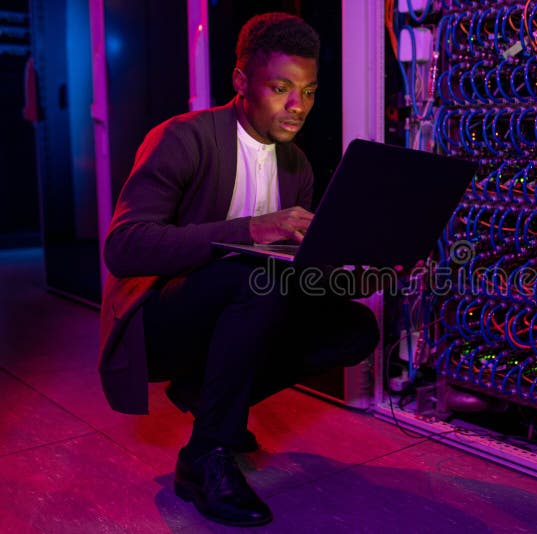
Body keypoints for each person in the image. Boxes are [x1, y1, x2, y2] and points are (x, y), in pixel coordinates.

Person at [99, 13, 379, 527]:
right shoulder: (182, 138)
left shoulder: (297, 166)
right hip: (158, 319)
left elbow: (296, 275)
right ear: (240, 81)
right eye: (281, 88)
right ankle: (205, 455)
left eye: (309, 91)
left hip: (241, 308)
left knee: (354, 328)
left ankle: (208, 400)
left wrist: (373, 267)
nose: (299, 107)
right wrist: (251, 229)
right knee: (257, 277)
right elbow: (124, 247)